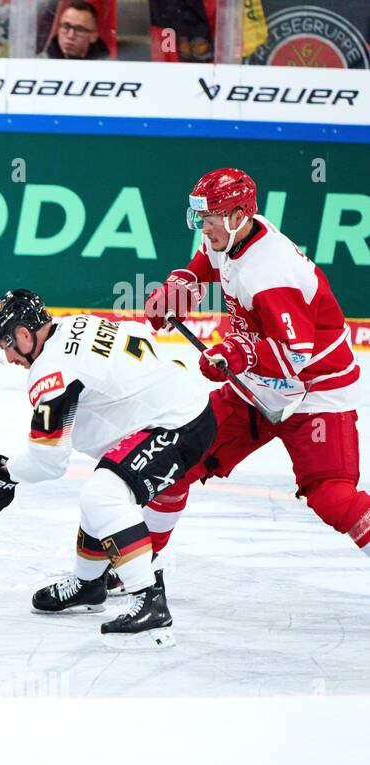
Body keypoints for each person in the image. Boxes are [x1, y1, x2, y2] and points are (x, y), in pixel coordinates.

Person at [142, 168, 370, 561]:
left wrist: (238, 352)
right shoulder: (235, 233)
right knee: (172, 465)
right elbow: (208, 262)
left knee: (333, 497)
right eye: (200, 218)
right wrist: (178, 287)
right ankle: (135, 567)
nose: (203, 227)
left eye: (208, 219)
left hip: (315, 391)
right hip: (255, 386)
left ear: (236, 216)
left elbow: (295, 354)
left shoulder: (272, 273)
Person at [0, 289, 216, 649]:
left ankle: (149, 600)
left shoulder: (50, 371)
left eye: (5, 346)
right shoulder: (76, 323)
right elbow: (139, 336)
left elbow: (49, 460)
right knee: (103, 487)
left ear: (23, 335)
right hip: (181, 409)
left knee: (103, 493)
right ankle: (89, 583)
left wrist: (5, 474)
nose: (9, 358)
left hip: (174, 423)